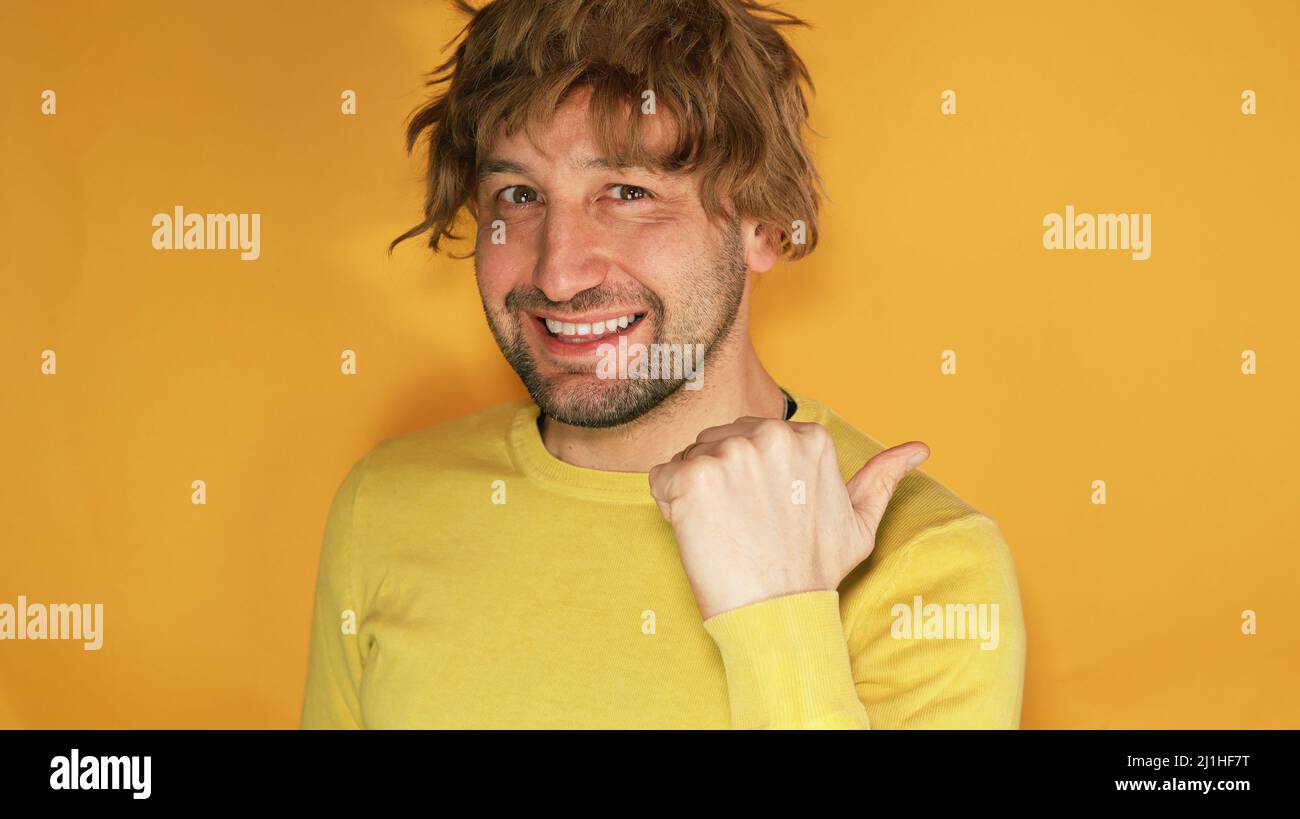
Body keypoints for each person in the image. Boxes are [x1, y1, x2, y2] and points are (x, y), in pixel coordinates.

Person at [301, 0, 1025, 729]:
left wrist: (779, 614)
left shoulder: (928, 567)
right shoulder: (385, 505)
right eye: (518, 195)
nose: (557, 275)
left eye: (627, 192)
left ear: (764, 225)